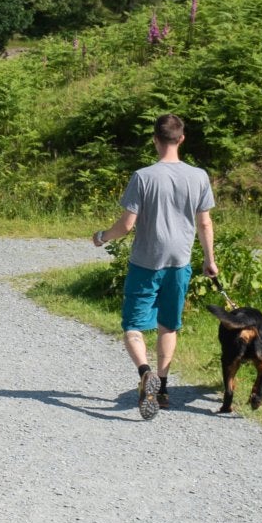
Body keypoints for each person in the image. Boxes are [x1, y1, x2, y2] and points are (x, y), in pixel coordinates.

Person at [89, 113, 218, 420]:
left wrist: (102, 236)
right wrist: (209, 259)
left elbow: (127, 225)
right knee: (168, 325)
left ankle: (145, 372)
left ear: (155, 140)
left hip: (145, 263)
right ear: (181, 139)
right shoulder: (199, 176)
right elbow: (204, 223)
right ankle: (162, 388)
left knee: (132, 326)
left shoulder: (143, 176)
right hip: (180, 262)